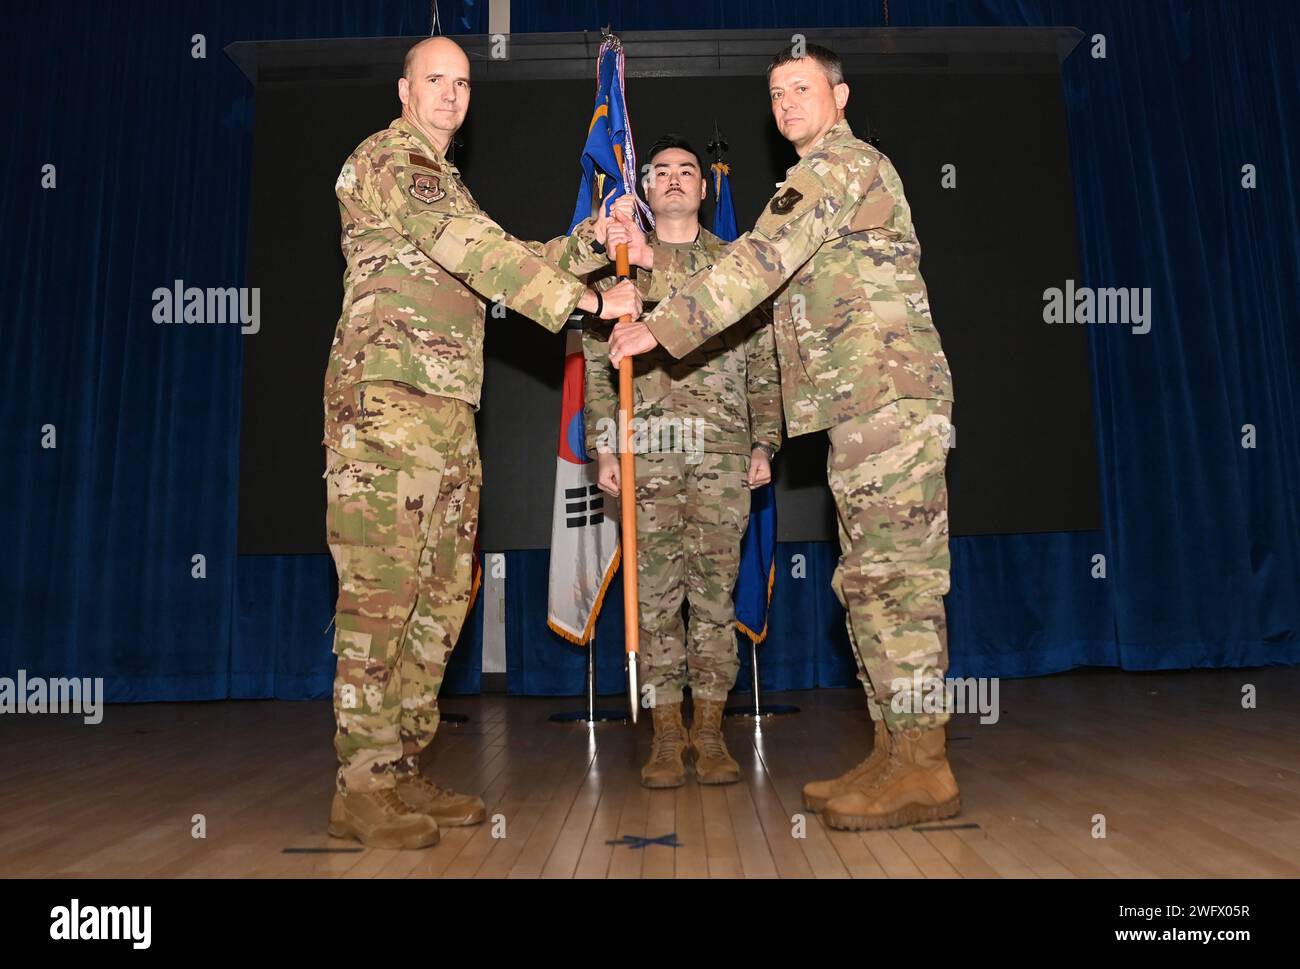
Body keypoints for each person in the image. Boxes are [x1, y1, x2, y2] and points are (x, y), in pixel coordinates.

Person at [607, 43, 959, 830]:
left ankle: (925, 763)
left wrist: (658, 328)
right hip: (864, 405)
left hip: (889, 398)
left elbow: (758, 264)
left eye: (802, 88)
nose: (787, 102)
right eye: (775, 93)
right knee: (867, 581)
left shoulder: (839, 166)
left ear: (840, 94)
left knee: (896, 581)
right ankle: (897, 752)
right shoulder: (820, 175)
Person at [324, 36, 641, 849]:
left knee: (437, 598)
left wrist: (586, 244)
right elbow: (480, 257)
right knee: (381, 598)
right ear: (404, 89)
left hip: (446, 414)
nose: (451, 95)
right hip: (387, 408)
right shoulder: (393, 161)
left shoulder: (446, 183)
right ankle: (361, 784)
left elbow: (501, 258)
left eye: (463, 83)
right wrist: (593, 304)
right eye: (436, 80)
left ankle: (399, 766)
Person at [584, 135, 781, 789]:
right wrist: (605, 443)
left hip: (721, 445)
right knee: (657, 600)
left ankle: (710, 733)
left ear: (705, 189)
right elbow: (595, 358)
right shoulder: (621, 269)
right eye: (660, 171)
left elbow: (761, 357)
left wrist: (764, 441)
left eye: (685, 171)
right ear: (643, 189)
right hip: (651, 448)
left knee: (714, 598)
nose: (672, 180)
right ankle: (667, 734)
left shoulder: (735, 265)